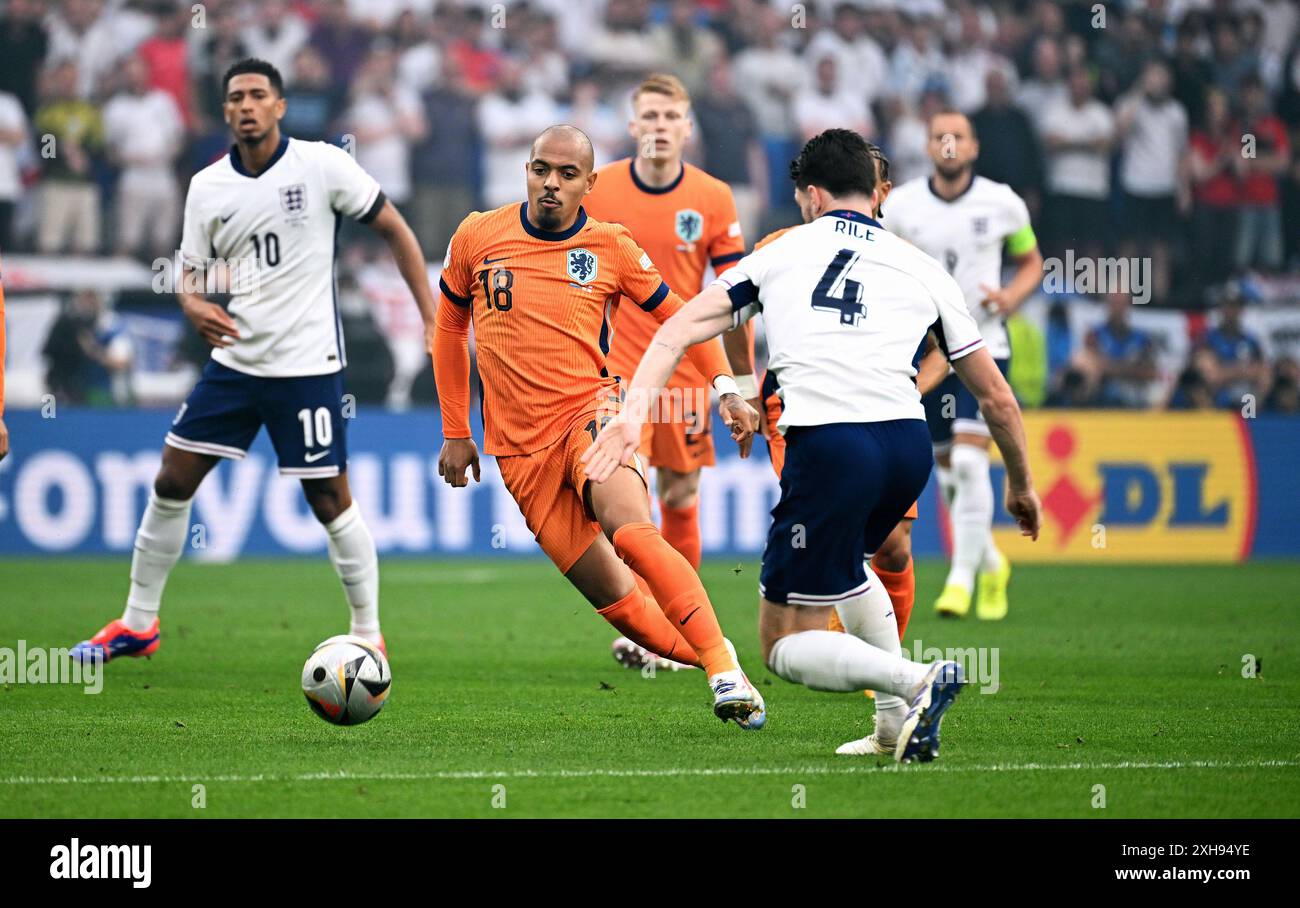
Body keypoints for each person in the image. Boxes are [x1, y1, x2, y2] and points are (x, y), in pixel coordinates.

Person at [584, 129, 1042, 761]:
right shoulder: (921, 264)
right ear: (872, 191)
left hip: (831, 449)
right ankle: (890, 730)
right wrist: (1020, 484)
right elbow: (996, 398)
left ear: (813, 195)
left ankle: (920, 681)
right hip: (905, 447)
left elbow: (680, 327)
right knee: (851, 570)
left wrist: (633, 416)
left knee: (779, 646)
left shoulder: (782, 252)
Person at [70, 59, 440, 664]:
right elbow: (189, 278)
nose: (246, 105)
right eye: (236, 96)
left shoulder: (321, 165)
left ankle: (368, 632)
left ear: (280, 106)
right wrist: (193, 307)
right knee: (171, 478)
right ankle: (138, 624)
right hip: (237, 362)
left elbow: (395, 228)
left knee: (329, 499)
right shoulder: (207, 186)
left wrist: (430, 317)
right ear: (224, 112)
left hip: (308, 363)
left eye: (258, 95)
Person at [433, 124, 766, 729]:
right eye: (541, 170)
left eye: (566, 174)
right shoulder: (478, 235)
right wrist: (457, 430)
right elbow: (450, 329)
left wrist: (727, 390)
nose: (550, 184)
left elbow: (685, 319)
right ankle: (725, 665)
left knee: (632, 531)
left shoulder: (610, 246)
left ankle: (721, 670)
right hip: (518, 455)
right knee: (626, 612)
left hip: (592, 415)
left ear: (590, 183)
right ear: (526, 171)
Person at [581, 73, 747, 670]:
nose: (658, 127)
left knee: (681, 492)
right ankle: (647, 630)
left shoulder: (713, 198)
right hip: (619, 369)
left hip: (685, 369)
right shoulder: (599, 192)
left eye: (669, 117)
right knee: (632, 499)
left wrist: (740, 382)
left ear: (687, 126)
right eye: (648, 116)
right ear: (632, 126)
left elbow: (734, 298)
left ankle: (681, 631)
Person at [882, 110, 1043, 622]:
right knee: (949, 474)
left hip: (983, 345)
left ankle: (959, 579)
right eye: (938, 137)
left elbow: (1032, 261)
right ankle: (993, 563)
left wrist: (1012, 296)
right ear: (928, 146)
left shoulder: (1002, 203)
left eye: (958, 137)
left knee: (973, 464)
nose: (948, 144)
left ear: (974, 147)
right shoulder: (902, 205)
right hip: (926, 352)